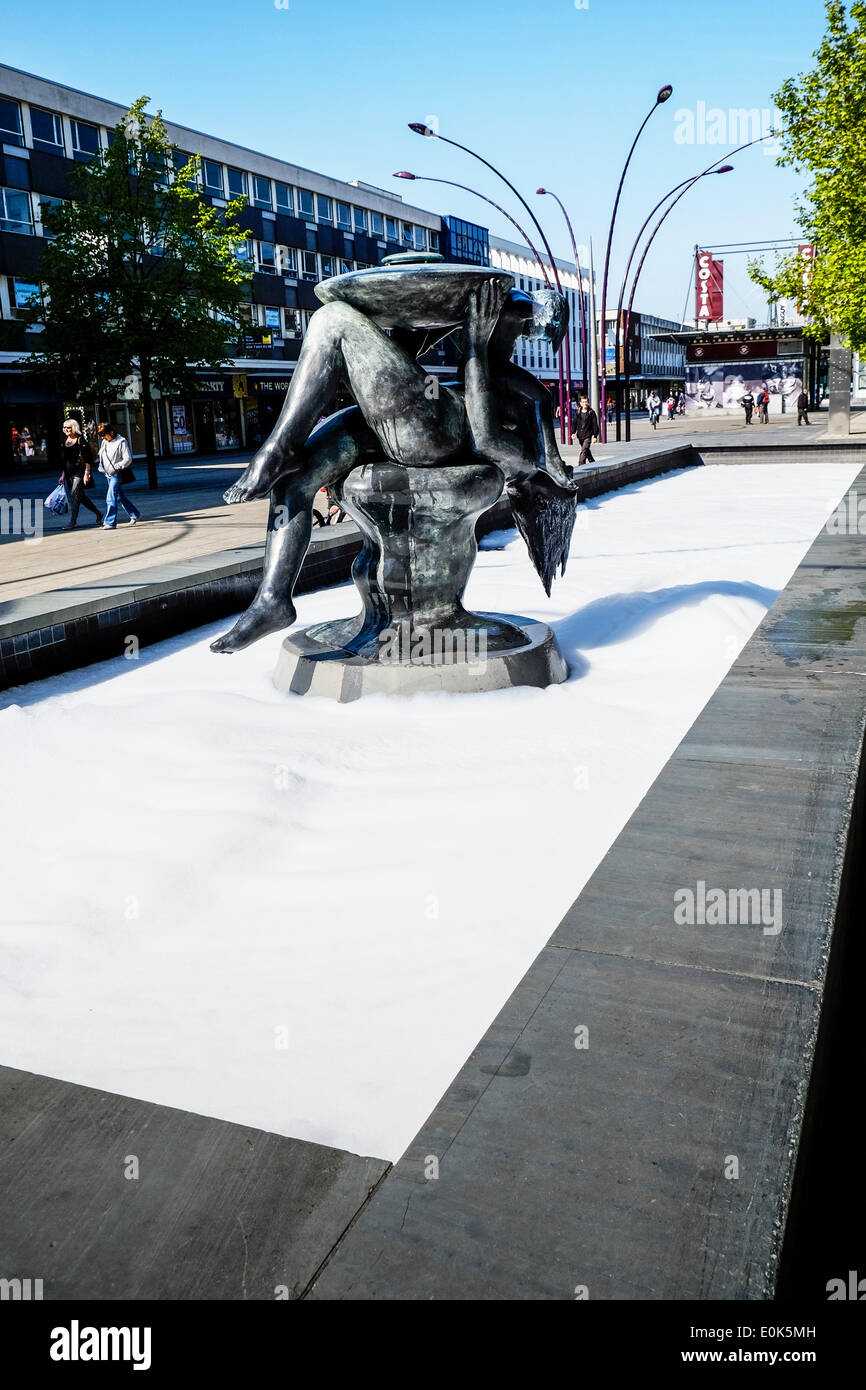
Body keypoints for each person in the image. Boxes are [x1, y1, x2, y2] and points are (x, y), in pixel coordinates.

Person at [212, 279, 576, 652]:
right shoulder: (504, 378)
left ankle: (278, 446)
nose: (510, 333)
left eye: (519, 327)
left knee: (334, 319)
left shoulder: (530, 409)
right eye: (512, 325)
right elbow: (420, 368)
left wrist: (474, 345)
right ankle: (273, 598)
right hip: (418, 415)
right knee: (293, 481)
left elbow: (483, 437)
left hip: (437, 430)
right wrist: (431, 330)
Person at [59, 419, 103, 528]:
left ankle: (72, 522)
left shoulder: (81, 441)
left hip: (80, 472)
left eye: (68, 427)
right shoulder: (65, 441)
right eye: (64, 427)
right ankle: (98, 513)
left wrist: (87, 473)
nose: (65, 429)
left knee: (74, 495)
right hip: (69, 474)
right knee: (80, 497)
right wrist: (63, 475)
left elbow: (88, 458)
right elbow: (65, 461)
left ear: (74, 428)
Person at [96, 423, 142, 528]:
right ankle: (135, 514)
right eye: (100, 435)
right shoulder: (104, 442)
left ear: (110, 432)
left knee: (111, 496)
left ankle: (110, 522)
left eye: (103, 434)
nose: (102, 437)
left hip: (116, 474)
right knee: (119, 496)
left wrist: (118, 466)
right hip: (107, 474)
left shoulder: (121, 441)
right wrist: (101, 468)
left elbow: (128, 458)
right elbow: (102, 455)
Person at [574, 394, 599, 466]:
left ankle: (581, 465)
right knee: (585, 449)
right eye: (583, 402)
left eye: (586, 402)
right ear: (580, 403)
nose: (585, 403)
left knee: (584, 450)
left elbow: (595, 425)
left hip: (588, 435)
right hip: (580, 435)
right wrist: (573, 433)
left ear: (588, 402)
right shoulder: (578, 412)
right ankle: (592, 461)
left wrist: (595, 436)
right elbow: (574, 423)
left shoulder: (591, 412)